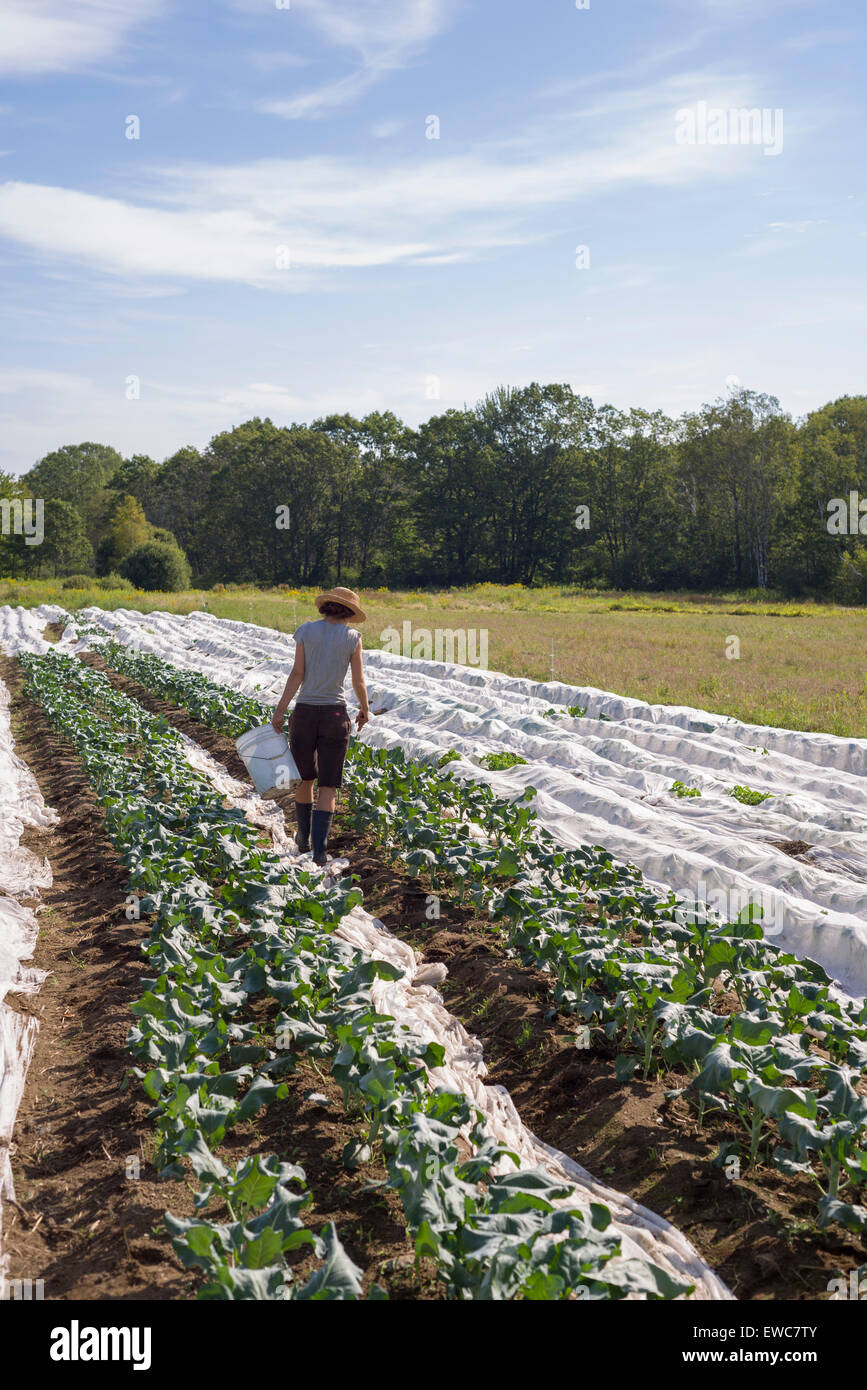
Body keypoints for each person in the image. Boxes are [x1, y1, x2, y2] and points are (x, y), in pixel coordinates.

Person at [271, 586, 370, 866]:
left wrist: (280, 711)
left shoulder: (305, 631)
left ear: (326, 606)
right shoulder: (353, 638)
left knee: (305, 779)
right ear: (350, 612)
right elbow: (358, 682)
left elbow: (297, 674)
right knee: (328, 786)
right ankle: (319, 852)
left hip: (303, 714)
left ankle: (302, 840)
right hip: (335, 716)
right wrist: (365, 709)